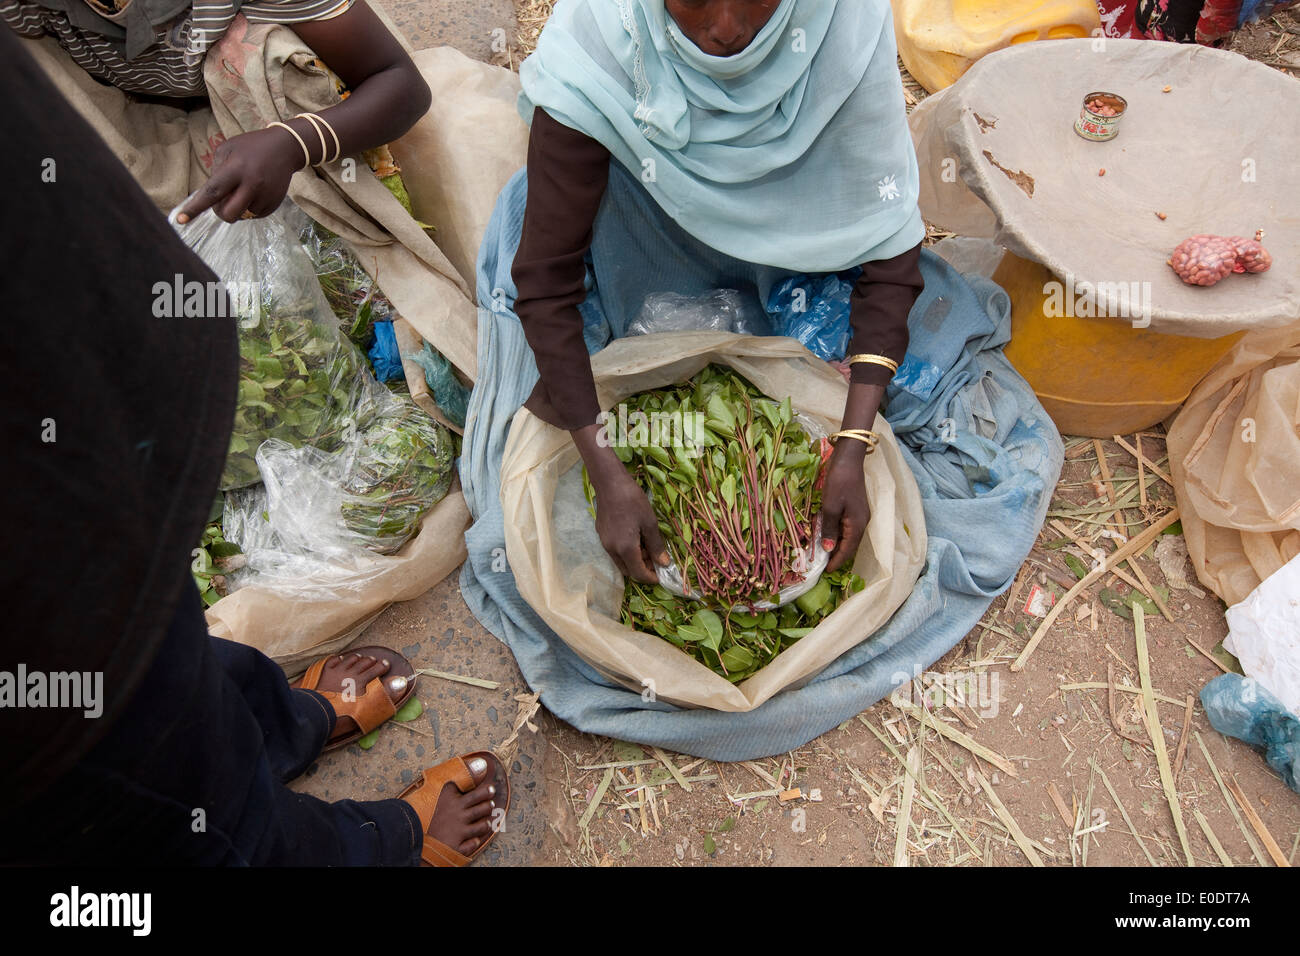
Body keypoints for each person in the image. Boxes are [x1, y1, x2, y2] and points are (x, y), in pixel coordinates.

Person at [0, 29, 506, 867]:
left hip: (65, 505)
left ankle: (283, 722)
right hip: (38, 654)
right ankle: (379, 845)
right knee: (180, 815)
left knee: (176, 657)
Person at [508, 0, 926, 584]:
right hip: (645, 238)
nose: (726, 29)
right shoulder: (597, 45)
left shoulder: (842, 24)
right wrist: (604, 469)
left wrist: (853, 444)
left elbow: (889, 246)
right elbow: (547, 284)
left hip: (793, 251)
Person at [2, 0, 430, 223]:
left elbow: (401, 84)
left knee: (266, 55)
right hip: (151, 120)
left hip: (274, 116)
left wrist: (291, 144)